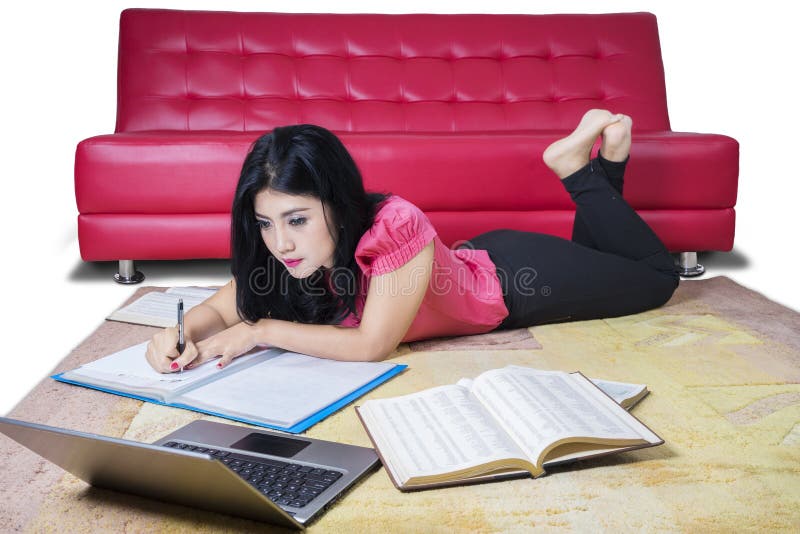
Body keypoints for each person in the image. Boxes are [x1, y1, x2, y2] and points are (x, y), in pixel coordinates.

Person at [145, 109, 679, 373]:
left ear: (335, 200)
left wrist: (260, 331)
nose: (280, 243)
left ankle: (579, 169)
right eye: (265, 223)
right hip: (464, 262)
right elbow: (219, 309)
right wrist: (175, 335)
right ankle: (602, 162)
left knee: (657, 279)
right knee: (607, 260)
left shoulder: (394, 223)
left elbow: (373, 346)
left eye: (297, 219)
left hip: (515, 284)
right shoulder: (281, 247)